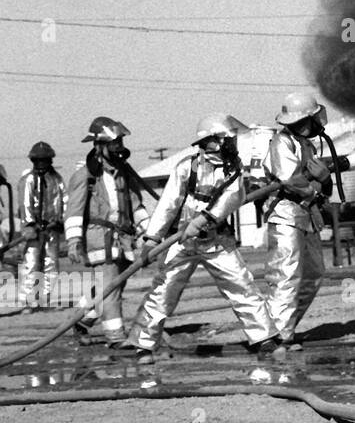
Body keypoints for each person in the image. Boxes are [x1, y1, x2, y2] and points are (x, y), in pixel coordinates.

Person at [127, 114, 278, 363]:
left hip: (217, 241)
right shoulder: (187, 167)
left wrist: (203, 220)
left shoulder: (234, 169)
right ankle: (144, 345)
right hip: (180, 242)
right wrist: (152, 238)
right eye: (226, 139)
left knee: (242, 286)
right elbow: (168, 204)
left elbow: (231, 199)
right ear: (212, 141)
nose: (231, 143)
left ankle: (265, 339)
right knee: (163, 291)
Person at [64, 117, 150, 348]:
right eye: (113, 143)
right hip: (99, 237)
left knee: (112, 285)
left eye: (120, 142)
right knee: (111, 287)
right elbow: (73, 210)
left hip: (122, 239)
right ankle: (115, 338)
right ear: (99, 145)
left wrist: (148, 231)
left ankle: (81, 321)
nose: (118, 147)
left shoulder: (121, 173)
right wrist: (73, 241)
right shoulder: (85, 176)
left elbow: (135, 204)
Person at [263, 91, 334, 348]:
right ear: (307, 119)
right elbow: (290, 180)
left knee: (314, 275)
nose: (318, 123)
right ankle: (277, 337)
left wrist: (325, 180)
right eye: (315, 117)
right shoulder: (281, 142)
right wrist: (316, 187)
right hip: (285, 216)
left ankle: (285, 328)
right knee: (286, 275)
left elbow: (317, 183)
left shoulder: (308, 145)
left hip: (307, 215)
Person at [17, 142, 66, 311]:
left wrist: (61, 220)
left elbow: (63, 199)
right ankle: (28, 301)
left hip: (52, 228)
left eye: (45, 160)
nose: (42, 163)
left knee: (51, 263)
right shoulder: (28, 180)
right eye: (39, 160)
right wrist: (29, 224)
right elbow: (25, 204)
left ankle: (48, 299)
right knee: (31, 264)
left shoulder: (56, 179)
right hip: (34, 230)